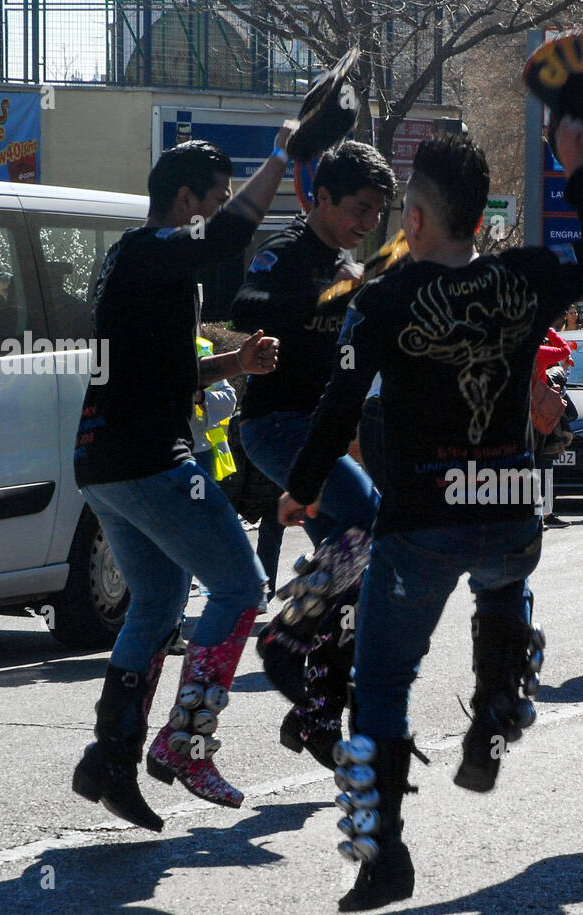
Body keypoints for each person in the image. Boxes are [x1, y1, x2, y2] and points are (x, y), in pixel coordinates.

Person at [278, 127, 583, 911]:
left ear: (413, 217)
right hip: (510, 503)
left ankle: (383, 855)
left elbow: (338, 403)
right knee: (505, 586)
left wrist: (301, 485)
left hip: (422, 516)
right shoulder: (529, 274)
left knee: (379, 682)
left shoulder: (381, 297)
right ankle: (498, 701)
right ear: (480, 214)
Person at [70, 131, 293, 829]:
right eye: (217, 197)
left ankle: (109, 761)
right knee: (242, 584)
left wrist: (235, 368)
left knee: (159, 600)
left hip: (108, 464)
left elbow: (163, 374)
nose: (224, 209)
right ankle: (187, 740)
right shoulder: (148, 250)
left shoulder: (141, 264)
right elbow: (225, 237)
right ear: (186, 199)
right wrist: (282, 156)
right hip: (147, 461)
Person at [231, 140, 397, 767]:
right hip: (274, 426)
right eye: (357, 207)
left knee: (358, 575)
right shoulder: (288, 250)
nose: (366, 222)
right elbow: (244, 308)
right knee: (365, 518)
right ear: (320, 197)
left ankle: (317, 715)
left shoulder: (348, 264)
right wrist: (330, 293)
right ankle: (282, 637)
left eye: (376, 212)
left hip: (323, 431)